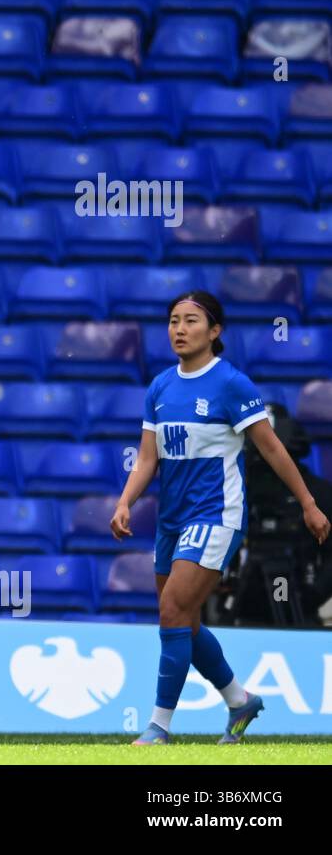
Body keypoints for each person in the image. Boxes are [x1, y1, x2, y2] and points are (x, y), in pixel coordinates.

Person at [110, 291, 330, 745]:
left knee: (172, 610)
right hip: (172, 520)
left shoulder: (231, 384)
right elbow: (148, 458)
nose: (179, 329)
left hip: (217, 515)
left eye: (191, 321)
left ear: (215, 331)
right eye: (173, 320)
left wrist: (308, 503)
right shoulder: (160, 388)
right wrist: (125, 500)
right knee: (183, 621)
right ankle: (239, 700)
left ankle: (158, 727)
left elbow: (271, 448)